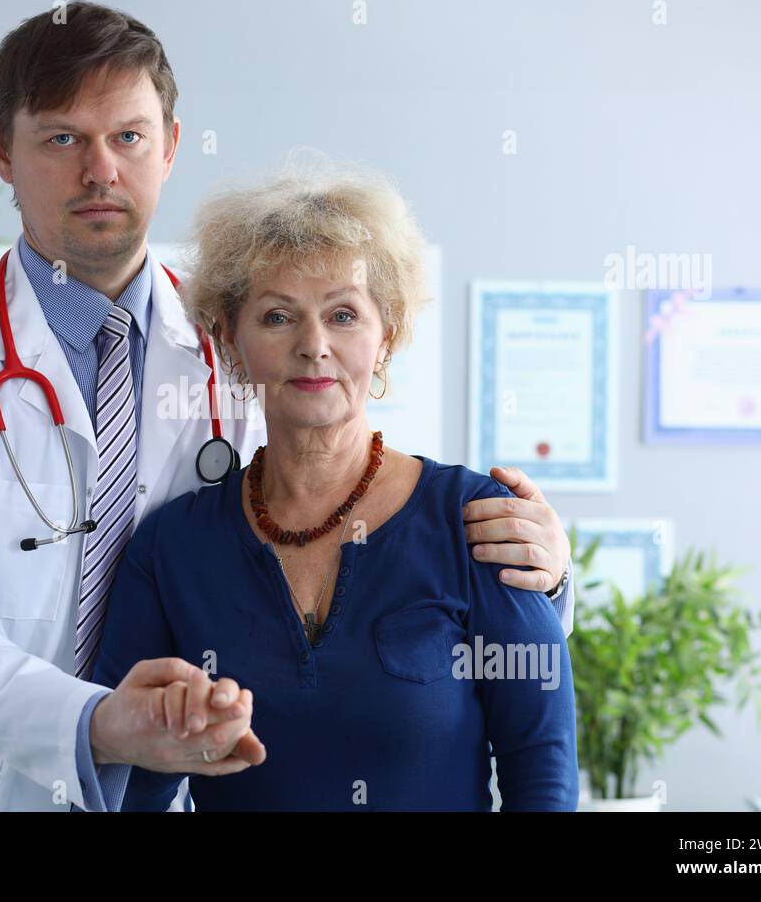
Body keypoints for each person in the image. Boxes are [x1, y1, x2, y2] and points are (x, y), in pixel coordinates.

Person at [0, 1, 574, 812]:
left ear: (170, 146)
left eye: (128, 136)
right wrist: (102, 720)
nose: (100, 170)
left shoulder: (239, 333)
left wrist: (537, 574)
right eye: (62, 138)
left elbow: (383, 529)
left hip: (159, 789)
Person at [91, 165, 579, 810]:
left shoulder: (476, 522)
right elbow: (127, 782)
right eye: (277, 316)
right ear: (230, 343)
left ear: (386, 338)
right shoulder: (173, 546)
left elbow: (541, 768)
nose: (313, 346)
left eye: (344, 314)